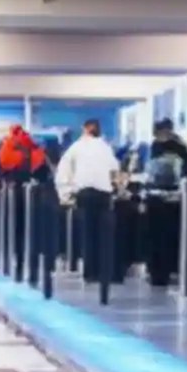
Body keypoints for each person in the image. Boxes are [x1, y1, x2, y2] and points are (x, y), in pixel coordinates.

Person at [56, 119, 121, 284]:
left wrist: (66, 194)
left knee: (87, 233)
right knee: (103, 235)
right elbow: (115, 171)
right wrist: (117, 188)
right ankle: (102, 271)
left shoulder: (77, 147)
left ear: (84, 129)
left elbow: (64, 171)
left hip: (85, 194)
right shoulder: (106, 147)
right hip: (104, 194)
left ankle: (89, 272)